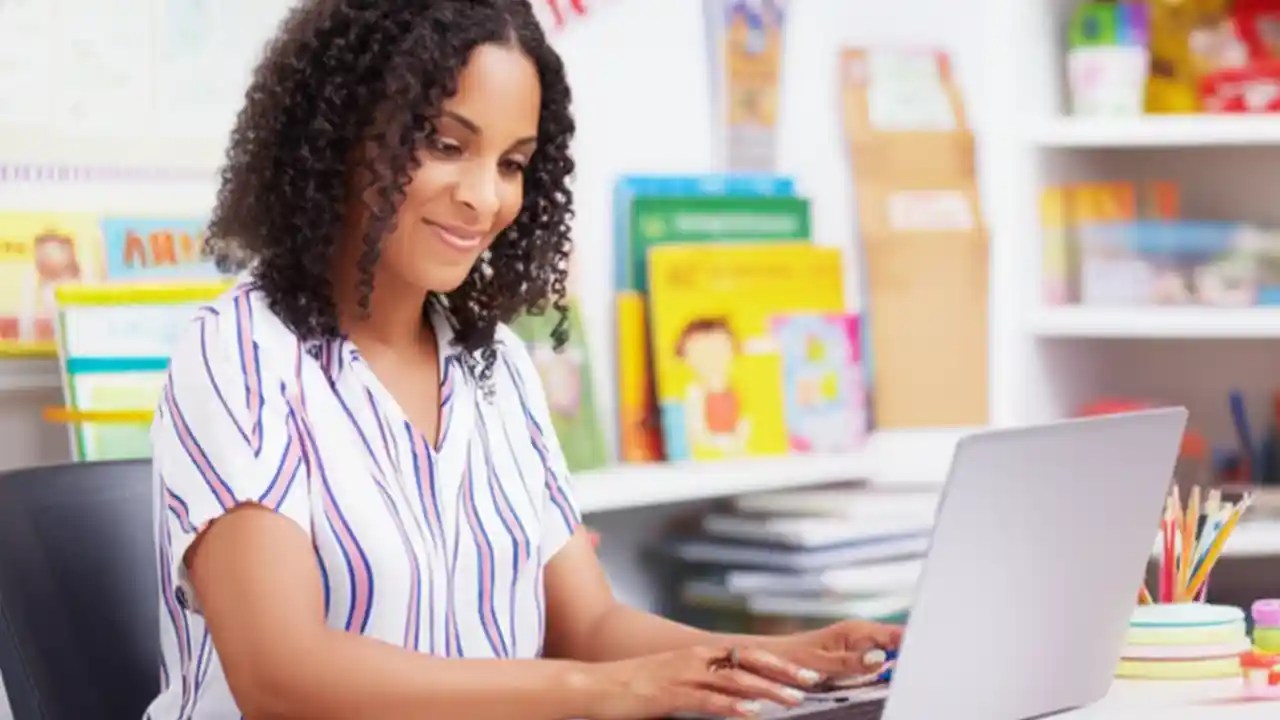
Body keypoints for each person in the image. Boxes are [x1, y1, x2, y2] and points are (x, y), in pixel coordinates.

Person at [146, 2, 901, 718]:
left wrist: (785, 660)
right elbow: (282, 676)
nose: (485, 197)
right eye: (446, 145)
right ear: (343, 134)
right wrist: (597, 690)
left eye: (511, 164)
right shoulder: (240, 355)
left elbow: (589, 625)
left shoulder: (497, 367)